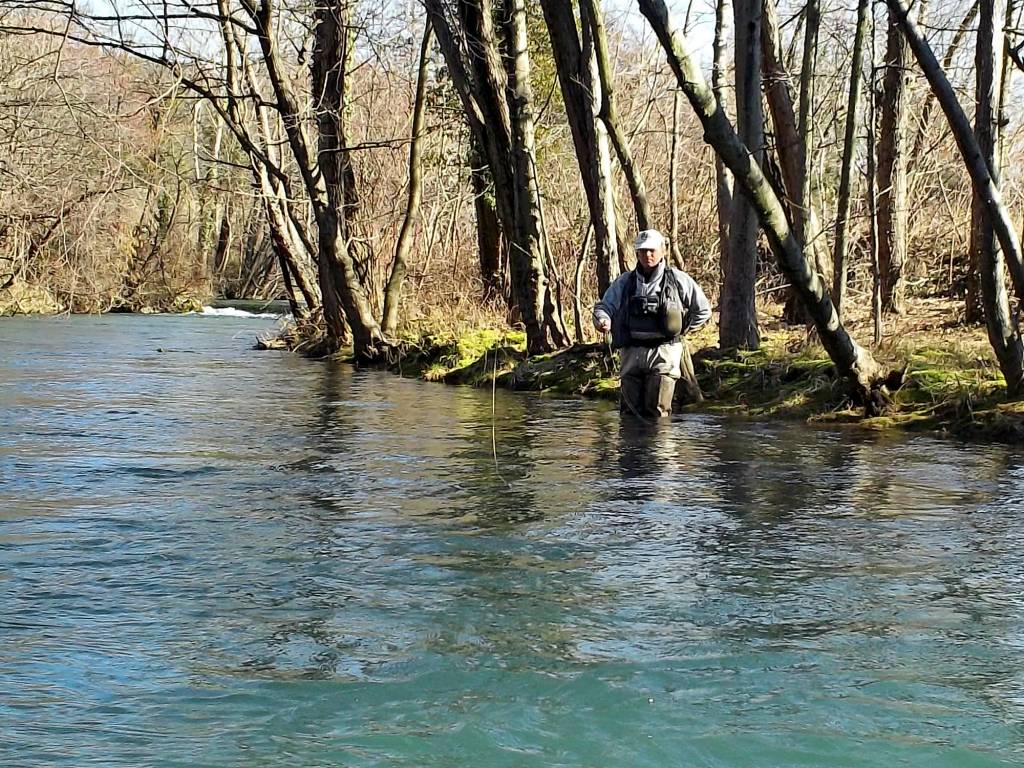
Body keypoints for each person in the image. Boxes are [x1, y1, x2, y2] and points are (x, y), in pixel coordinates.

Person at [593, 229, 712, 418]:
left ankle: (659, 447)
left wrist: (683, 329)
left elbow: (703, 310)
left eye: (652, 250)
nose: (647, 255)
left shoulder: (678, 279)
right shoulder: (624, 282)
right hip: (631, 355)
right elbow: (603, 307)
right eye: (642, 251)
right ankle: (629, 448)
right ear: (637, 253)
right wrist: (602, 321)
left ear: (663, 251)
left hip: (664, 355)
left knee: (657, 412)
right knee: (628, 414)